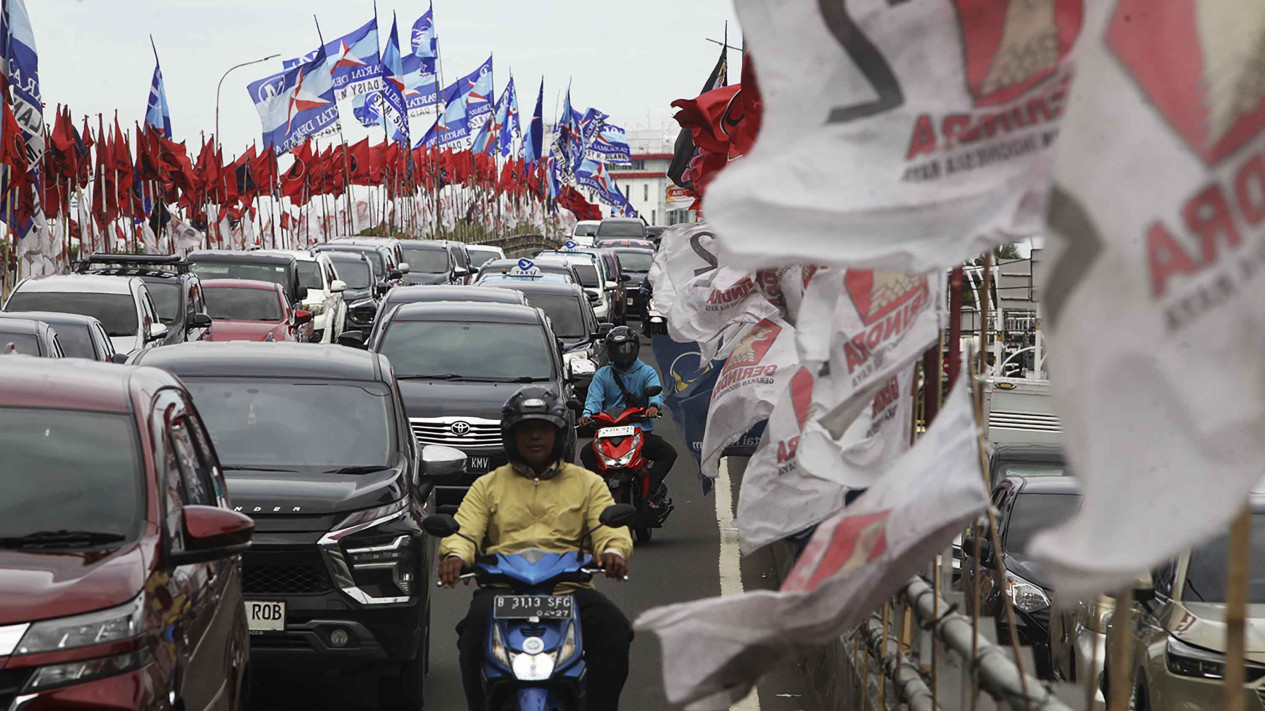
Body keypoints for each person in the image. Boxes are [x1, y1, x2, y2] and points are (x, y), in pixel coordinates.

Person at [438, 386, 635, 711]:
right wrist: (455, 555)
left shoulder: (588, 482)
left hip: (568, 590)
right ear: (510, 436)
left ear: (558, 435)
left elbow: (608, 526)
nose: (534, 437)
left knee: (615, 631)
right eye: (524, 430)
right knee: (471, 634)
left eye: (542, 429)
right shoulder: (488, 484)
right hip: (502, 592)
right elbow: (465, 530)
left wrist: (613, 551)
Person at [578, 326, 678, 509]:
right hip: (607, 434)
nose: (621, 352)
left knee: (668, 453)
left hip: (640, 432)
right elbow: (593, 400)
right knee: (586, 454)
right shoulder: (603, 374)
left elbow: (656, 392)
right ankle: (599, 492)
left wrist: (653, 407)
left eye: (626, 347)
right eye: (616, 348)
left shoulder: (647, 372)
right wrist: (586, 415)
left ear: (635, 348)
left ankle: (651, 491)